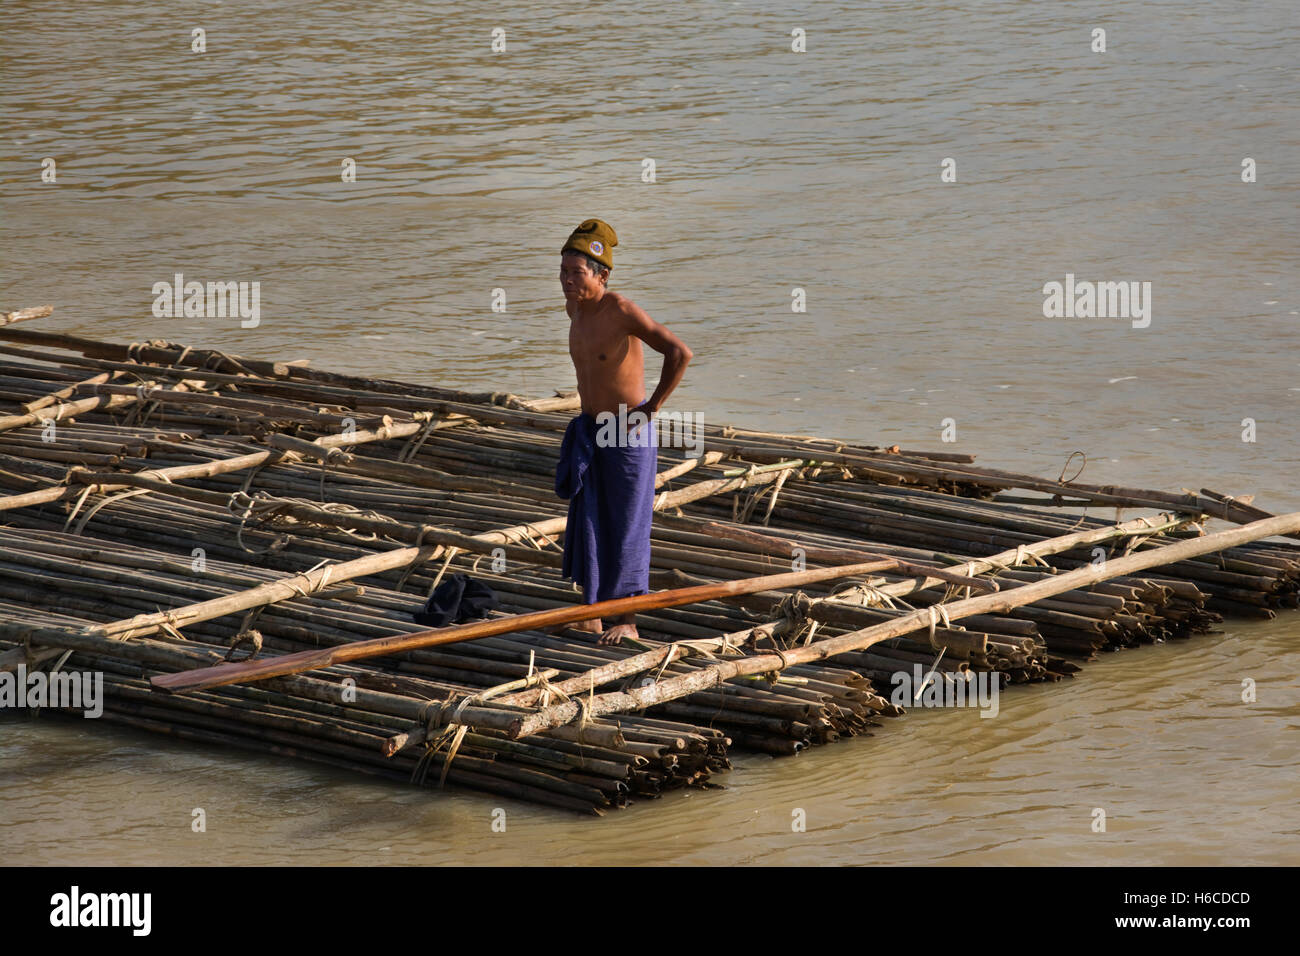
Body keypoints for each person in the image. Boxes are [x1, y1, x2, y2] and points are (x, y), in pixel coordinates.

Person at [554, 219, 693, 645]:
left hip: (626, 430)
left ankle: (627, 618)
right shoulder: (574, 311)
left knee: (628, 523)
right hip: (592, 429)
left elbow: (679, 351)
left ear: (602, 275)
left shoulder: (621, 309)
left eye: (576, 274)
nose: (567, 281)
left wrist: (652, 407)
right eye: (563, 273)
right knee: (591, 517)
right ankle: (594, 612)